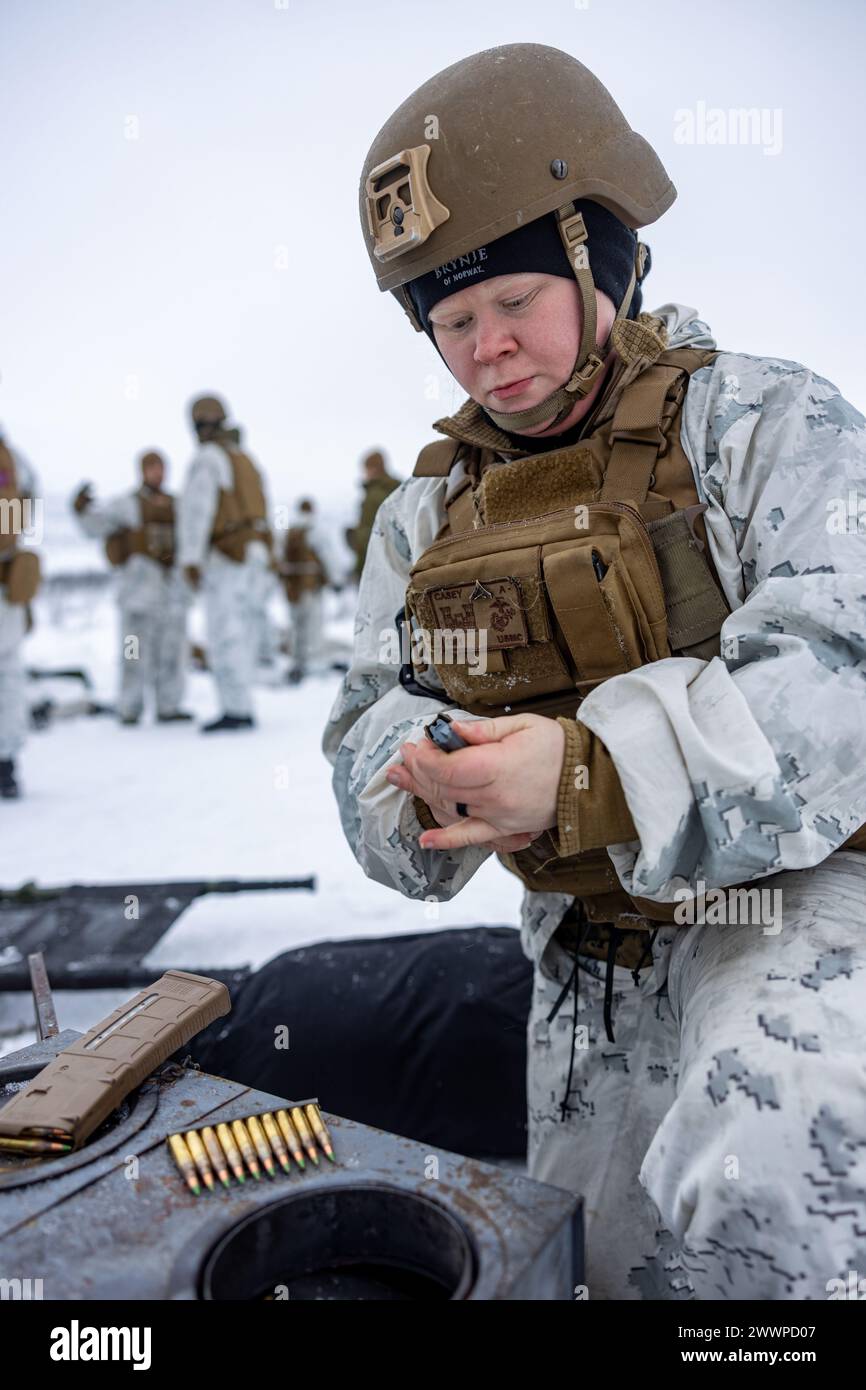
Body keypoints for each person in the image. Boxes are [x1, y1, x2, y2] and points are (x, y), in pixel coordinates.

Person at [322, 43, 866, 1301]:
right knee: (582, 1265)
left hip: (789, 915)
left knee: (764, 1187)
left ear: (599, 257)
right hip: (584, 957)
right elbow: (364, 715)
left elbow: (840, 666)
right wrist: (421, 784)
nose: (483, 349)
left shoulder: (765, 427)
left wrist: (589, 770)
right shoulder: (424, 517)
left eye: (511, 300)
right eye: (449, 321)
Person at [71, 451, 191, 725]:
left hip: (171, 596)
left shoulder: (179, 505)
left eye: (161, 467)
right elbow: (95, 526)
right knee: (133, 654)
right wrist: (81, 510)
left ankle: (169, 706)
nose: (157, 473)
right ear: (142, 471)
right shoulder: (125, 505)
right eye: (151, 468)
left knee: (172, 654)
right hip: (136, 597)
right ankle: (129, 708)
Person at [178, 395, 270, 732]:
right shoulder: (244, 458)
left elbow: (196, 510)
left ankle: (236, 708)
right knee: (243, 632)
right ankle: (242, 703)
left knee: (224, 633)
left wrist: (190, 557)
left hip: (227, 555)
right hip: (253, 552)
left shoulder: (208, 458)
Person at [0, 429, 40, 799]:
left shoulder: (11, 459)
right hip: (6, 578)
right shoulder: (14, 458)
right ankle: (7, 765)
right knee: (8, 672)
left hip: (6, 581)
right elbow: (27, 500)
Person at [280, 497, 339, 684]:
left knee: (296, 625)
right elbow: (327, 555)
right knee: (313, 624)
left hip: (291, 586)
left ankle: (297, 662)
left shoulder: (289, 530)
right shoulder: (315, 530)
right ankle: (313, 664)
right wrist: (335, 579)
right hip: (309, 584)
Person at [346, 449, 399, 583]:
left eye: (366, 469)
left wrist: (354, 537)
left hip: (375, 566)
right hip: (397, 563)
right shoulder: (399, 489)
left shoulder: (373, 496)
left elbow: (368, 535)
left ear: (373, 469)